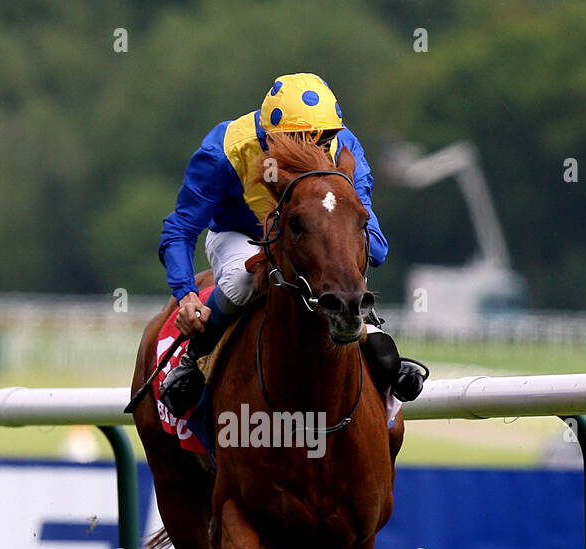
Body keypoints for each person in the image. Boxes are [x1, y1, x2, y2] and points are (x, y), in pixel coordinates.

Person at [157, 72, 428, 418]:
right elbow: (180, 229)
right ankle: (194, 357)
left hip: (308, 239)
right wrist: (187, 295)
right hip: (240, 234)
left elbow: (370, 234)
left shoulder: (343, 145)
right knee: (241, 282)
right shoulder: (224, 151)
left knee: (347, 263)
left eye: (322, 139)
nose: (314, 149)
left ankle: (377, 347)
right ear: (272, 135)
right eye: (299, 140)